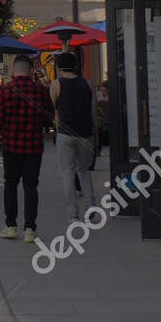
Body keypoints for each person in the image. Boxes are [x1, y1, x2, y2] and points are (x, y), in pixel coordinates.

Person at [0, 55, 54, 243]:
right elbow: (49, 118)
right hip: (33, 147)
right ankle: (30, 229)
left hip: (11, 147)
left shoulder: (4, 90)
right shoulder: (40, 90)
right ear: (31, 70)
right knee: (31, 187)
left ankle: (11, 226)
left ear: (13, 70)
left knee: (10, 185)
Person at [49, 52, 99, 222]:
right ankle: (91, 206)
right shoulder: (88, 83)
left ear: (59, 67)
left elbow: (54, 110)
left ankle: (73, 214)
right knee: (83, 170)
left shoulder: (56, 84)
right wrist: (96, 134)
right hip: (86, 133)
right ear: (76, 65)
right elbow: (93, 112)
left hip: (65, 134)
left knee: (67, 173)